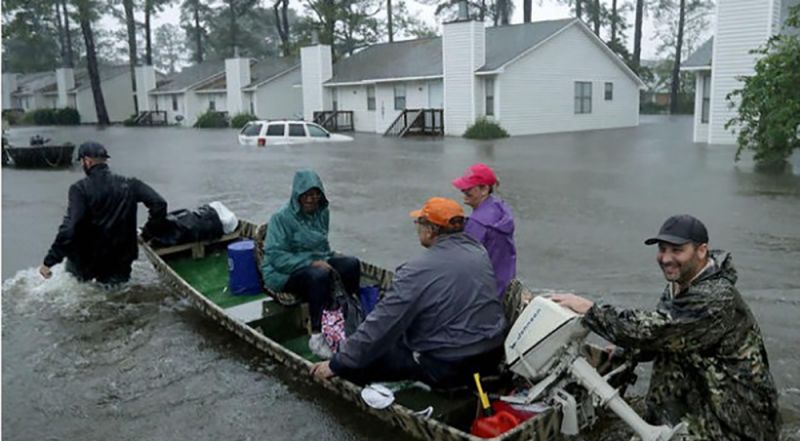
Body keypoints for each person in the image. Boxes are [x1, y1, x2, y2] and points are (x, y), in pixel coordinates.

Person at [552, 214, 781, 441]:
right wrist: (625, 352)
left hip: (737, 424)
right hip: (706, 400)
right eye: (662, 249)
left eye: (677, 250)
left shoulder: (715, 296)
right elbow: (665, 339)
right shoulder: (681, 285)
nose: (665, 258)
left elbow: (655, 331)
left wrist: (591, 310)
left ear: (701, 251)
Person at [310, 197, 506, 387]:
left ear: (431, 230)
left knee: (362, 360)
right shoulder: (479, 252)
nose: (417, 228)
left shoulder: (416, 271)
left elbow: (382, 325)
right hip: (492, 353)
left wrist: (337, 363)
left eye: (419, 223)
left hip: (449, 365)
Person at [261, 169, 360, 359]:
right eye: (306, 194)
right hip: (283, 273)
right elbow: (276, 257)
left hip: (317, 261)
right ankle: (317, 336)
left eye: (315, 194)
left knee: (351, 264)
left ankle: (346, 316)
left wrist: (327, 259)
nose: (311, 199)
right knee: (319, 276)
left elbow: (323, 246)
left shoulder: (322, 214)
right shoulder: (280, 218)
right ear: (296, 195)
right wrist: (311, 262)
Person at [40, 141, 167, 285]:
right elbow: (159, 204)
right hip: (120, 259)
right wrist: (147, 233)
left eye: (82, 162)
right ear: (105, 160)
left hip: (85, 261)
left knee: (82, 296)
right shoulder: (130, 184)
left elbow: (71, 227)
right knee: (116, 295)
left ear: (87, 161)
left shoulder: (80, 189)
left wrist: (49, 261)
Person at [452, 163, 516, 296]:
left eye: (468, 188)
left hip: (484, 294)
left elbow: (465, 262)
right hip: (503, 285)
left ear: (484, 189)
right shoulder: (499, 208)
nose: (463, 191)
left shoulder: (478, 223)